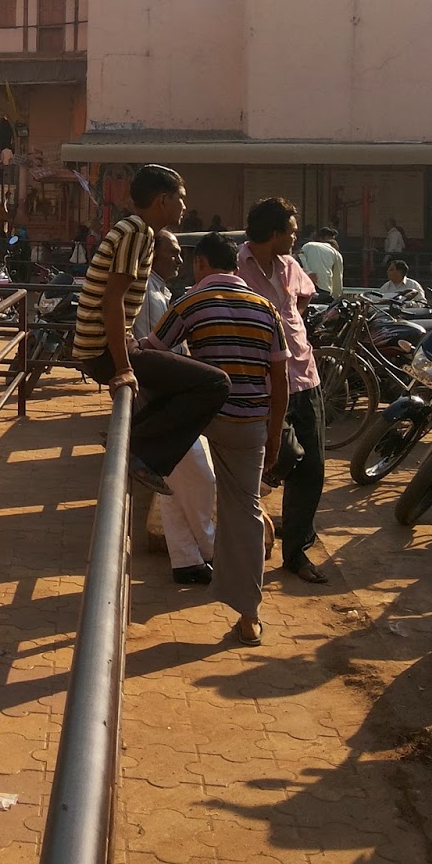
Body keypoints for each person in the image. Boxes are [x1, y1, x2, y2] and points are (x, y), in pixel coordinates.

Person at [149, 233, 288, 646]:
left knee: (173, 480)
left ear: (201, 265)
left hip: (198, 419)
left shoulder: (189, 303)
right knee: (244, 510)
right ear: (237, 266)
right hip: (249, 422)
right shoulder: (267, 310)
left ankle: (144, 462)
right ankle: (249, 615)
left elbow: (153, 351)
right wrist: (274, 436)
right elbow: (278, 381)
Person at [71, 164, 231, 496]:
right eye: (181, 199)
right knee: (216, 383)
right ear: (162, 200)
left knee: (182, 381)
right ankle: (142, 452)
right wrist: (125, 367)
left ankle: (136, 441)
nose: (185, 206)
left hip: (107, 347)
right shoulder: (138, 233)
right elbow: (112, 300)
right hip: (102, 352)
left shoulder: (134, 230)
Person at [238, 197, 328, 585]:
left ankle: (297, 552)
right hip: (259, 384)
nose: (295, 237)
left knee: (312, 469)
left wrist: (292, 332)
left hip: (304, 379)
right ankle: (241, 548)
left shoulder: (291, 266)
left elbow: (305, 298)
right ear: (274, 234)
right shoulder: (236, 266)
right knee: (261, 464)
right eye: (291, 231)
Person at [133, 230, 216, 585]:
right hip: (166, 399)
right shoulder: (151, 295)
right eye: (174, 253)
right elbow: (156, 350)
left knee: (173, 480)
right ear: (153, 256)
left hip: (162, 396)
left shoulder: (159, 292)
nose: (179, 260)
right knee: (201, 477)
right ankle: (214, 549)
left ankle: (186, 560)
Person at [298, 227, 344, 300]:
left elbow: (299, 257)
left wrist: (308, 272)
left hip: (304, 286)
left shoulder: (308, 245)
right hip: (323, 288)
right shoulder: (336, 253)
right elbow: (337, 277)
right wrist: (336, 298)